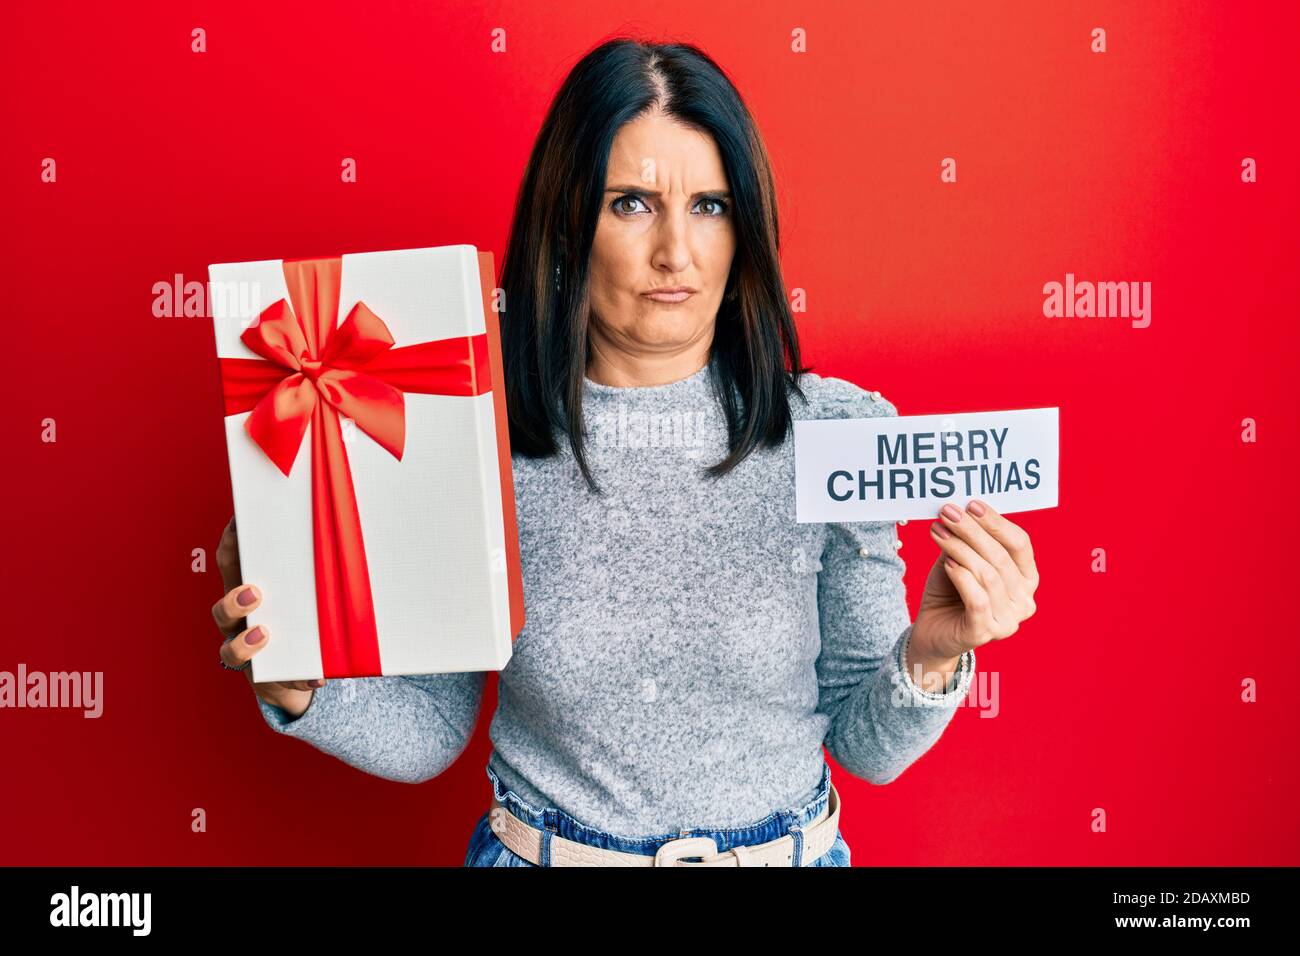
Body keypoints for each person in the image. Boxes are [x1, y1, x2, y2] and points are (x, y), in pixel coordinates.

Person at [211, 38, 1040, 867]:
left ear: (745, 229)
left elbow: (865, 745)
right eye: (632, 204)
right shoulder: (473, 435)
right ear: (569, 223)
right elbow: (431, 727)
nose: (676, 251)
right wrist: (300, 684)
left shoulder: (835, 431)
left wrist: (932, 654)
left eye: (710, 207)